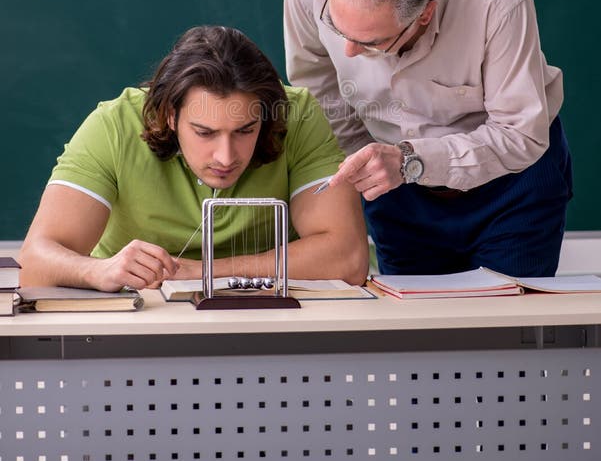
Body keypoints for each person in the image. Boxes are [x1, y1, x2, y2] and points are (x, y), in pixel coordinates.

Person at [284, 0, 573, 277]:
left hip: (510, 184)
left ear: (424, 14)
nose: (349, 51)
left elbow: (520, 134)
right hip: (396, 189)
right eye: (337, 27)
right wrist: (369, 161)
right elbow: (318, 87)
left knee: (505, 323)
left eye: (372, 42)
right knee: (412, 327)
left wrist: (408, 160)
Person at [20, 26, 369, 291]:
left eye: (245, 130)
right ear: (170, 116)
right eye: (205, 133)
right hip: (137, 319)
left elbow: (349, 258)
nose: (226, 156)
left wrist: (205, 270)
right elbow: (36, 260)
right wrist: (98, 270)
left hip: (264, 319)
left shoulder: (298, 115)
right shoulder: (113, 125)